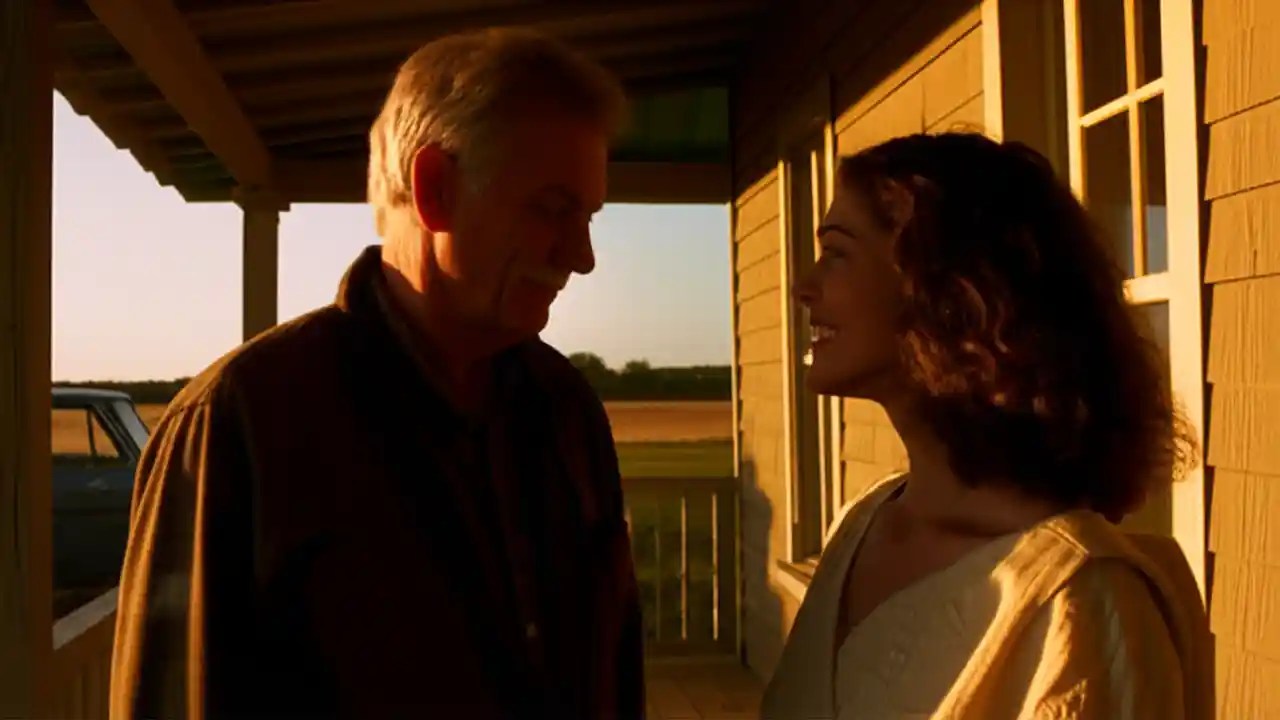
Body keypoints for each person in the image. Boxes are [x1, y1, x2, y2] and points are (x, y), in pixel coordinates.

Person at [109, 28, 645, 719]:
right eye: (551, 208)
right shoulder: (243, 420)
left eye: (590, 216)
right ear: (435, 189)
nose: (582, 255)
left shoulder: (566, 410)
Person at [760, 132, 1213, 719]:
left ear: (948, 291)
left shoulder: (1079, 598)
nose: (803, 286)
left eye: (837, 251)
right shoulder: (860, 524)